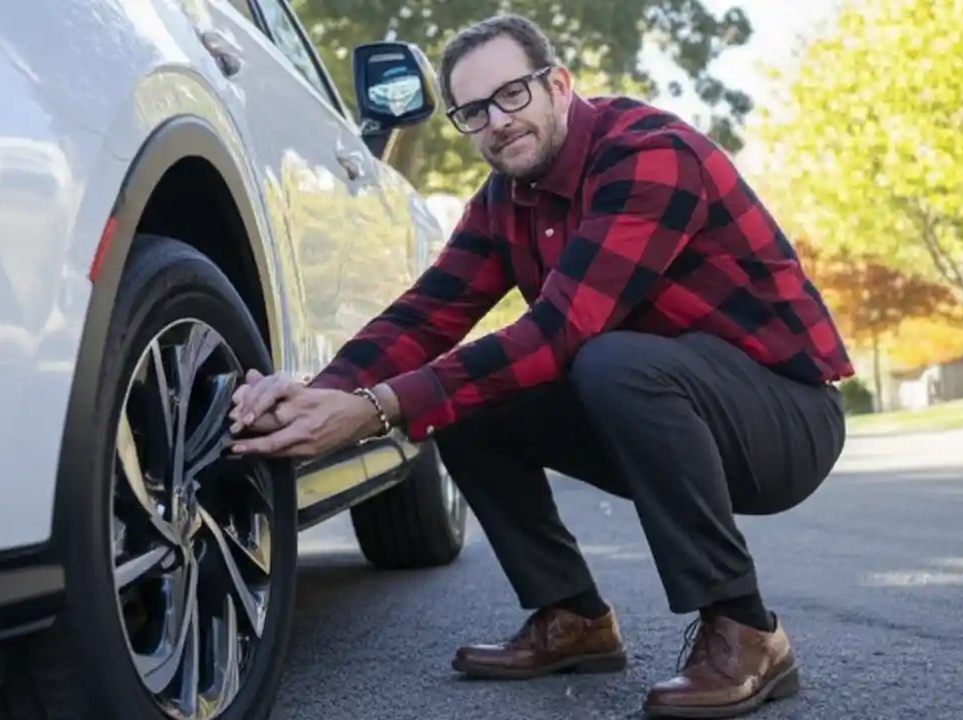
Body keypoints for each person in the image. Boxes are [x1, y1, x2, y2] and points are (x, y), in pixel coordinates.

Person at [226, 13, 854, 719]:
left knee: (608, 360)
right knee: (465, 400)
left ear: (557, 84)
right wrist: (321, 394)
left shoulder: (650, 155)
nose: (496, 121)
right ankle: (573, 618)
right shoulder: (504, 203)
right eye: (473, 111)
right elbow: (427, 314)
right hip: (656, 407)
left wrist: (375, 410)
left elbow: (560, 332)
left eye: (512, 95)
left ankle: (745, 629)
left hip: (785, 418)